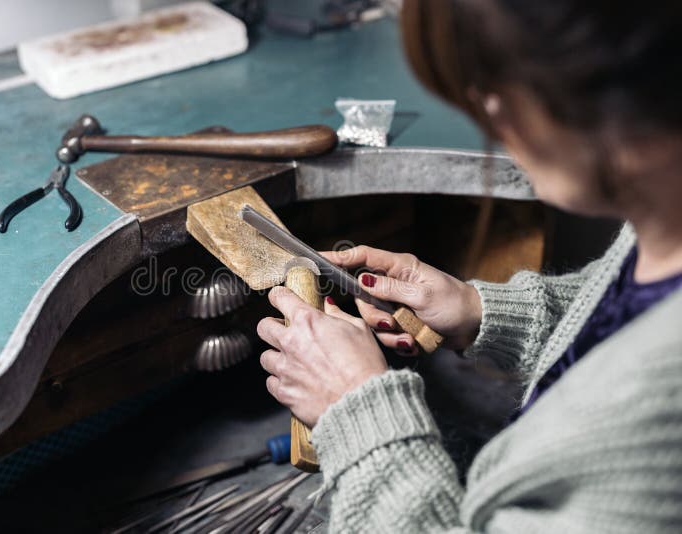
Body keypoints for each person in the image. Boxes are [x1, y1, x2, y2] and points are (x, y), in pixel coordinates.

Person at [256, 1, 682, 532]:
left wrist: (359, 411)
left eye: (492, 90)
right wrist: (480, 310)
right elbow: (622, 314)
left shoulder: (655, 423)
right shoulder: (666, 226)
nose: (492, 118)